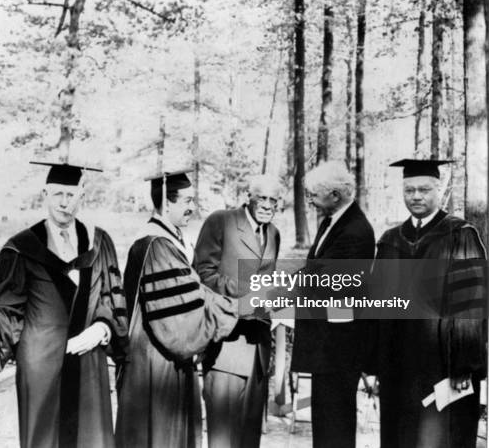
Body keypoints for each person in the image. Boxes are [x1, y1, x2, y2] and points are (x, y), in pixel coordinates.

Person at [0, 162, 127, 448]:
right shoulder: (22, 247)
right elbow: (8, 306)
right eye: (57, 194)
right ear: (44, 194)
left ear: (82, 195)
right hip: (41, 363)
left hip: (89, 358)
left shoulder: (99, 242)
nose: (65, 203)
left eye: (71, 194)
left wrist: (102, 328)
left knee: (90, 438)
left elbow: (112, 296)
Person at [115, 170, 238, 448]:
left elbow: (191, 292)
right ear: (165, 203)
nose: (192, 208)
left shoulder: (171, 239)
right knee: (160, 434)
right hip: (155, 357)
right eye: (186, 200)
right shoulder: (156, 244)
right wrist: (231, 308)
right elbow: (179, 313)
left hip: (163, 351)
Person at [374, 159, 486, 448]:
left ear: (440, 189)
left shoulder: (460, 235)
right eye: (409, 190)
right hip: (398, 368)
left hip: (443, 367)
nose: (416, 196)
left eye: (424, 189)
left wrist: (464, 366)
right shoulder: (390, 240)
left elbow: (470, 306)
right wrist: (377, 363)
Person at [290, 160, 375, 448]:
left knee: (335, 427)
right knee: (325, 424)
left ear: (335, 195)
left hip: (339, 348)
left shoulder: (355, 231)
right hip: (326, 347)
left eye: (314, 194)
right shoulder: (332, 222)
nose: (310, 201)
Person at [193, 174, 280, 448]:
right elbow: (202, 274)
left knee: (249, 440)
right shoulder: (221, 221)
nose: (267, 205)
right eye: (262, 198)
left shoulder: (274, 233)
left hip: (259, 352)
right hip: (226, 349)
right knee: (223, 439)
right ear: (248, 196)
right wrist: (247, 292)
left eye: (274, 201)